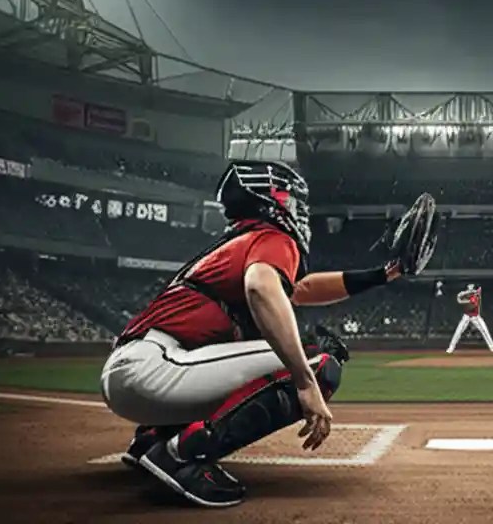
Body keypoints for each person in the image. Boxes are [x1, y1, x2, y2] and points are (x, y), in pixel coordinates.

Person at [100, 160, 409, 508]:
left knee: (277, 354)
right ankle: (181, 454)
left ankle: (154, 439)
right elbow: (262, 289)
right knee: (320, 362)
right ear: (274, 200)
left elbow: (300, 289)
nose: (300, 212)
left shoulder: (242, 240)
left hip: (142, 369)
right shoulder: (272, 236)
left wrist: (384, 274)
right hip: (156, 367)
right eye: (294, 201)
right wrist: (305, 381)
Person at [445, 283, 493, 353]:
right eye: (469, 289)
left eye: (472, 288)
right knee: (458, 331)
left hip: (476, 316)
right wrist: (468, 298)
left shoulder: (477, 295)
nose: (471, 290)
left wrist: (474, 295)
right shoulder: (465, 294)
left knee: (485, 331)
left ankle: (492, 348)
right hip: (467, 316)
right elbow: (459, 299)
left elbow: (474, 304)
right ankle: (451, 348)